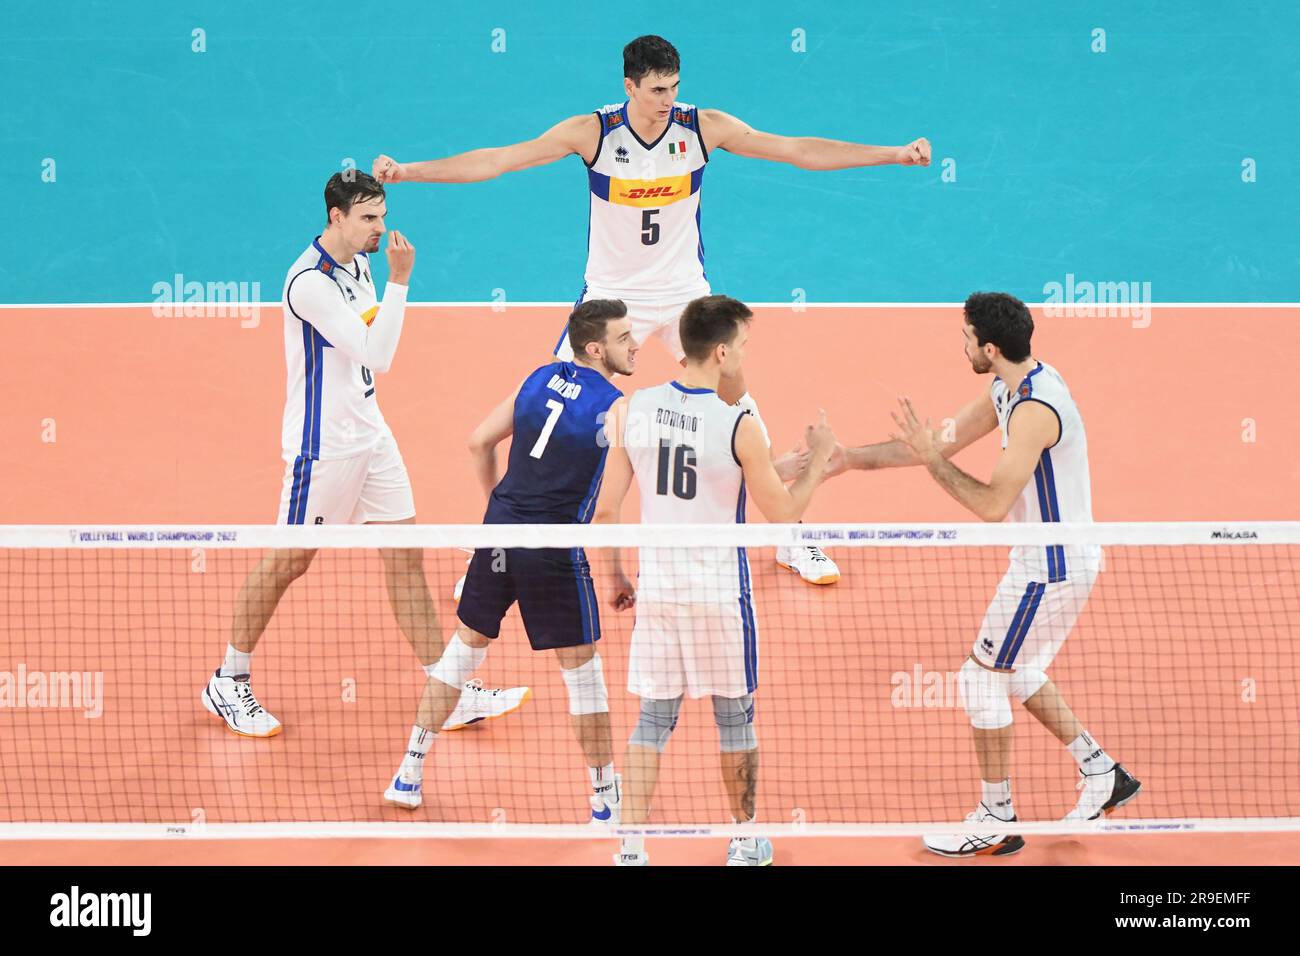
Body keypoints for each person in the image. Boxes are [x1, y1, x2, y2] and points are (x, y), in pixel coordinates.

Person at [372, 35, 929, 587]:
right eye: (657, 89)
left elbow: (796, 150)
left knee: (743, 410)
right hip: (611, 303)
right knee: (547, 412)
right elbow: (496, 161)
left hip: (687, 293)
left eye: (674, 88)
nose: (668, 100)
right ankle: (498, 546)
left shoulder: (701, 128)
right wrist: (410, 171)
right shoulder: (592, 133)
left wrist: (892, 154)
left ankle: (791, 536)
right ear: (629, 86)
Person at [202, 172, 528, 739]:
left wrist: (386, 282)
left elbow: (366, 336)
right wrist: (403, 281)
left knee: (404, 556)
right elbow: (379, 355)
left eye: (381, 215)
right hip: (322, 447)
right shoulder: (308, 284)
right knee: (289, 561)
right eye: (368, 219)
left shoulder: (358, 262)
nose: (381, 228)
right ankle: (228, 680)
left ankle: (444, 690)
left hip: (371, 435)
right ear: (336, 217)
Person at [828, 291, 1140, 857]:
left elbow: (993, 503)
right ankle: (1104, 773)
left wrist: (933, 461)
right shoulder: (1008, 386)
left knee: (979, 677)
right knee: (1015, 672)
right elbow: (938, 444)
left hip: (1052, 567)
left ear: (990, 347)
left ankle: (996, 816)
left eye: (967, 338)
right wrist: (849, 459)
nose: (962, 346)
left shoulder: (1034, 411)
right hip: (1048, 562)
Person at [591, 295, 837, 866]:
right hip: (720, 597)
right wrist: (820, 460)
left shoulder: (635, 407)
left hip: (658, 590)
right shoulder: (739, 423)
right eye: (744, 347)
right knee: (734, 718)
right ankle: (745, 839)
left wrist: (618, 575)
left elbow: (606, 512)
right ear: (722, 351)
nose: (744, 355)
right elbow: (781, 514)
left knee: (653, 720)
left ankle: (630, 849)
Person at [384, 300, 638, 821]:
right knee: (583, 675)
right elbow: (609, 510)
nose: (635, 344)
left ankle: (409, 771)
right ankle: (605, 797)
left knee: (463, 651)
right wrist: (616, 575)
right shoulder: (615, 409)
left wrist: (494, 507)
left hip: (498, 535)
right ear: (596, 348)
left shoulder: (537, 377)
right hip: (551, 551)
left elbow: (478, 441)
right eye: (625, 337)